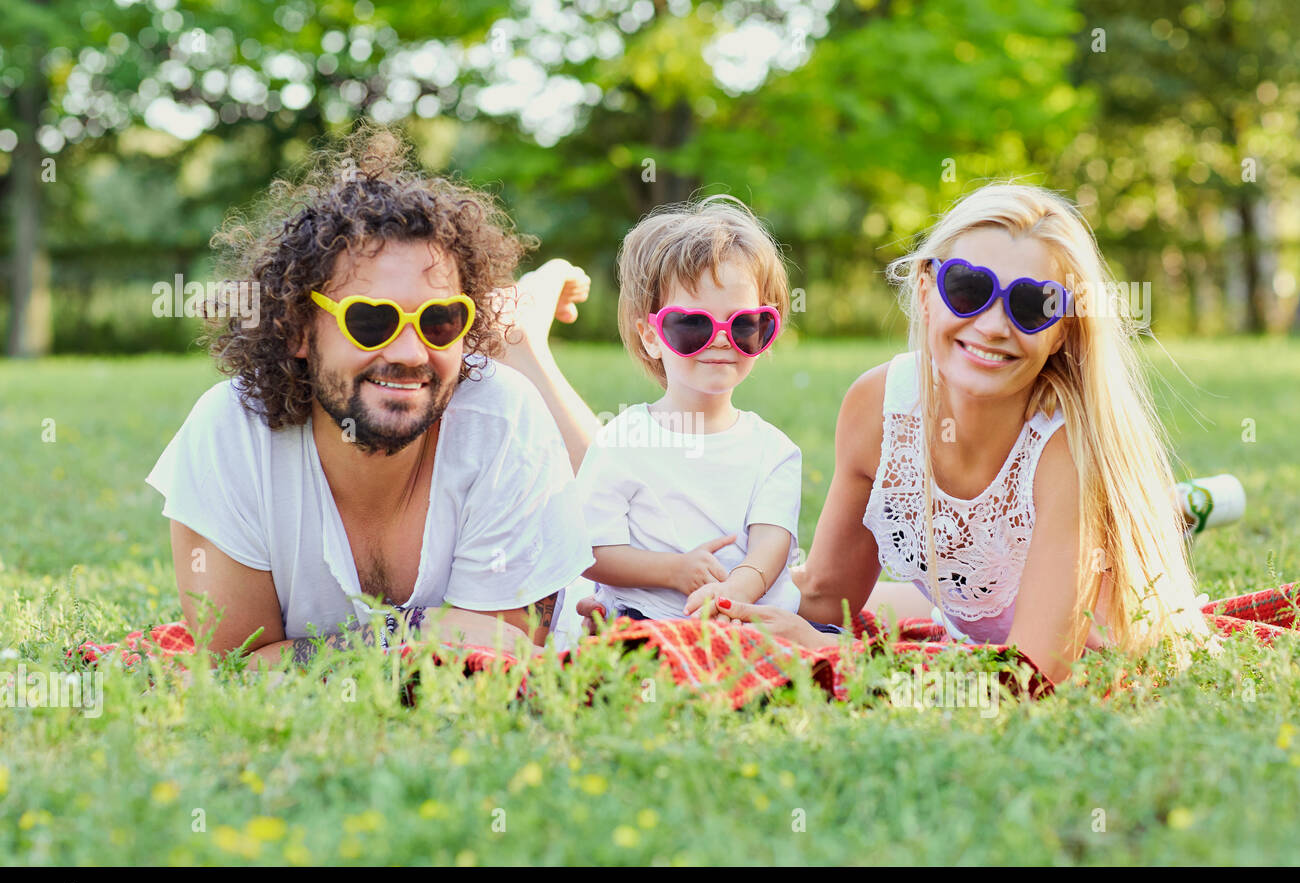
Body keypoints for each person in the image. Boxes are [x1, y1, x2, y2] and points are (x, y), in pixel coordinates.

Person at [556, 183, 1212, 688]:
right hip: (965, 623)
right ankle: (1176, 506)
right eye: (968, 288)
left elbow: (1027, 683)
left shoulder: (1066, 448)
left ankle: (1160, 514)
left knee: (1128, 526)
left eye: (1032, 304)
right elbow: (825, 602)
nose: (991, 325)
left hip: (1073, 646)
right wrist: (741, 616)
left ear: (1065, 328)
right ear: (925, 290)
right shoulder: (879, 405)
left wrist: (827, 653)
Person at [146, 127, 595, 665]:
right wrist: (425, 629)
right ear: (297, 329)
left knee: (620, 487)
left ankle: (518, 336)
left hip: (614, 557)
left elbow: (500, 657)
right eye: (370, 320)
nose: (409, 351)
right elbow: (237, 666)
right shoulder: (229, 432)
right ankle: (515, 331)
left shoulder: (504, 416)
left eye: (441, 320)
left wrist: (313, 656)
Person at [575, 198, 803, 623]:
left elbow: (770, 545)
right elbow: (588, 550)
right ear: (651, 336)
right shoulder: (624, 440)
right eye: (693, 325)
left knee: (830, 653)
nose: (720, 341)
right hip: (649, 617)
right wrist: (674, 571)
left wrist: (735, 592)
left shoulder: (773, 451)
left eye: (742, 325)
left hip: (750, 622)